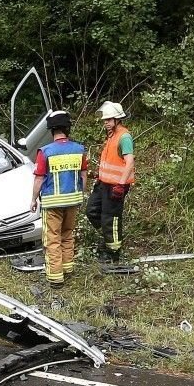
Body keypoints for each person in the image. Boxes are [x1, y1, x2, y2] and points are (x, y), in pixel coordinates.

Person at [30, 110, 85, 287]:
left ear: (51, 130)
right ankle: (68, 268)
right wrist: (80, 194)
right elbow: (83, 176)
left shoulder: (45, 152)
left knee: (52, 238)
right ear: (67, 128)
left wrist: (33, 199)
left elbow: (39, 178)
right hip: (73, 200)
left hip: (52, 203)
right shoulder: (79, 149)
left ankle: (55, 277)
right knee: (67, 234)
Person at [86, 100, 136, 264]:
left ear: (117, 119)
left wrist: (121, 185)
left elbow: (129, 162)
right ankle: (109, 237)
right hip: (103, 184)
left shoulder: (124, 137)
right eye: (104, 120)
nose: (105, 123)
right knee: (92, 211)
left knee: (111, 218)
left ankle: (113, 252)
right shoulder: (111, 136)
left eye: (108, 120)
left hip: (116, 186)